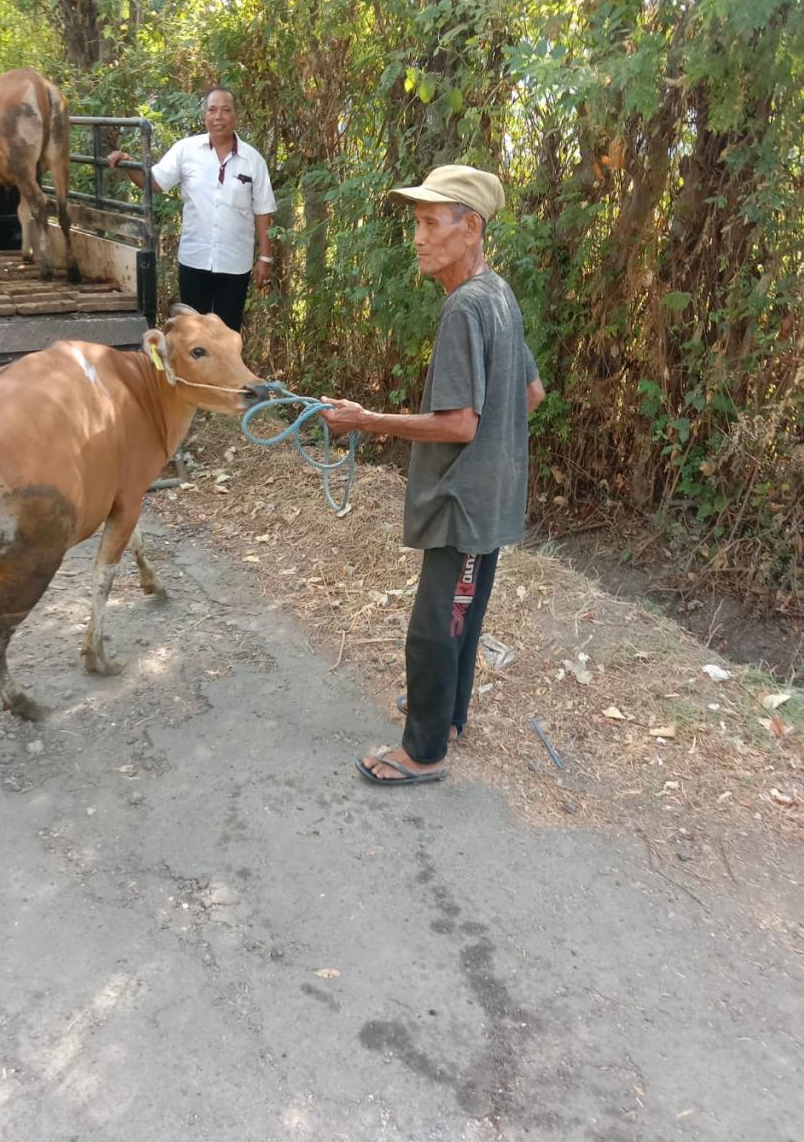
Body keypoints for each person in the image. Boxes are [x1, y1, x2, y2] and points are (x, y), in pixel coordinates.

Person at [322, 164, 546, 787]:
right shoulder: (499, 294)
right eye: (415, 224)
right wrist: (495, 459)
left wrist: (367, 420)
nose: (418, 238)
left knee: (434, 626)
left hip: (462, 504)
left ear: (470, 228)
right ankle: (446, 718)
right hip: (490, 495)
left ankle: (424, 752)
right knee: (462, 616)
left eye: (429, 223)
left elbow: (458, 424)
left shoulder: (464, 310)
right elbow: (531, 393)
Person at [106, 86, 276, 333]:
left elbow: (263, 211)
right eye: (212, 110)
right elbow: (153, 182)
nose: (218, 117)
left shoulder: (253, 160)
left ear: (235, 116)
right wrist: (127, 163)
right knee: (192, 336)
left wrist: (265, 257)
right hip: (194, 259)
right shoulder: (186, 151)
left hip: (234, 264)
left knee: (227, 336)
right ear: (205, 116)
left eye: (225, 110)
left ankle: (224, 374)